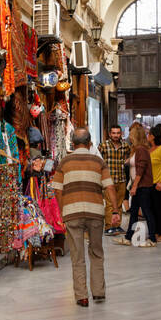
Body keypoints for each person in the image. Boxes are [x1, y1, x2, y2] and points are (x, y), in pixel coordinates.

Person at [51, 127, 116, 306]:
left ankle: (82, 296)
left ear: (72, 143)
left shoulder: (64, 162)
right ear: (89, 143)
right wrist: (116, 210)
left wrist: (63, 210)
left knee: (77, 255)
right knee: (96, 252)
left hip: (72, 213)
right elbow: (109, 187)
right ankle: (99, 293)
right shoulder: (98, 161)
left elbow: (57, 189)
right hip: (96, 212)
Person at [118, 123, 156, 247]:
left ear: (136, 135)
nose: (129, 136)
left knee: (146, 211)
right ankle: (128, 237)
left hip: (143, 186)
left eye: (131, 134)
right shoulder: (137, 149)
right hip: (139, 185)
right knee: (134, 212)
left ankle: (152, 238)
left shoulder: (141, 150)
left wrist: (134, 186)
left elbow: (141, 169)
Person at [98, 123, 129, 236]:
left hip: (121, 178)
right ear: (110, 134)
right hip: (108, 180)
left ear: (121, 134)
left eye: (118, 133)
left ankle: (117, 226)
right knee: (110, 204)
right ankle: (109, 227)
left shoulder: (125, 146)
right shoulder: (103, 146)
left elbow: (129, 157)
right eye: (114, 133)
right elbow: (97, 159)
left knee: (119, 204)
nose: (116, 135)